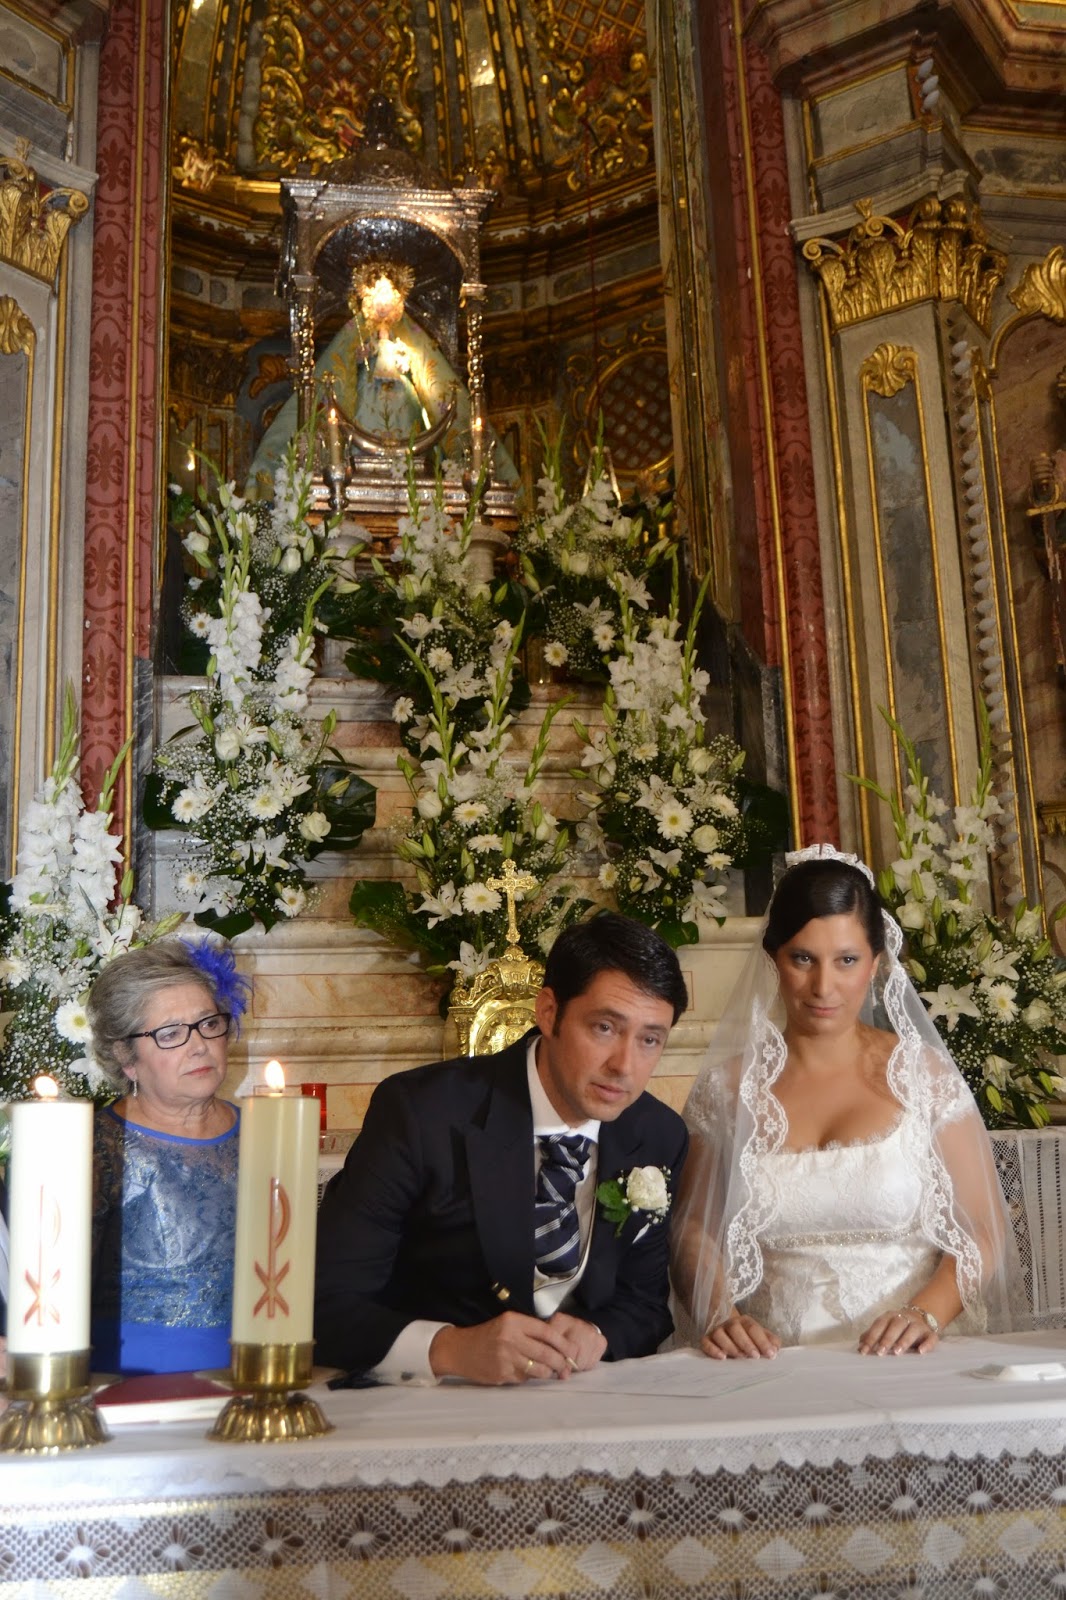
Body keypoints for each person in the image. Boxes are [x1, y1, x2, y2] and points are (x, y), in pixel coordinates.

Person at [671, 846, 1026, 1360]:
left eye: (846, 961)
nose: (823, 986)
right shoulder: (728, 1089)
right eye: (802, 959)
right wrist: (720, 1315)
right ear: (773, 959)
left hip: (908, 1357)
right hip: (769, 1362)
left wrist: (924, 1313)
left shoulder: (923, 1075)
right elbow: (692, 1229)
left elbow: (983, 1231)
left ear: (876, 964)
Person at [315, 913, 690, 1385]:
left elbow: (645, 1306)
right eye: (604, 1028)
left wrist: (599, 1332)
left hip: (585, 1406)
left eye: (650, 1039)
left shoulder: (657, 1133)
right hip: (433, 1406)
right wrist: (450, 1348)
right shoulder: (421, 1113)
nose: (625, 1066)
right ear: (549, 1012)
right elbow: (325, 1301)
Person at [87, 939, 249, 1375]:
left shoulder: (267, 1135)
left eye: (208, 1024)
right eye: (171, 1033)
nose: (199, 1046)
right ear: (127, 1057)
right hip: (130, 1387)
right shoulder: (95, 1148)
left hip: (256, 1377)